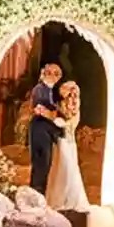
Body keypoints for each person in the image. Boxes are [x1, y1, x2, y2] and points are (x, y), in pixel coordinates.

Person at [46, 80, 91, 211]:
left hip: (69, 143)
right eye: (69, 95)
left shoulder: (75, 110)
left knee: (69, 169)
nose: (72, 98)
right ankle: (58, 199)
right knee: (59, 168)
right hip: (60, 142)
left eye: (74, 95)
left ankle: (70, 199)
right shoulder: (59, 107)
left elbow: (70, 125)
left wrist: (60, 122)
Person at [27, 63, 62, 193]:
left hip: (46, 131)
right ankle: (36, 193)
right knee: (41, 162)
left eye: (58, 74)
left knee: (45, 163)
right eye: (54, 73)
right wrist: (56, 115)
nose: (56, 77)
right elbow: (39, 109)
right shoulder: (39, 89)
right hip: (39, 130)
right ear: (46, 74)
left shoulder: (50, 90)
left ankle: (40, 192)